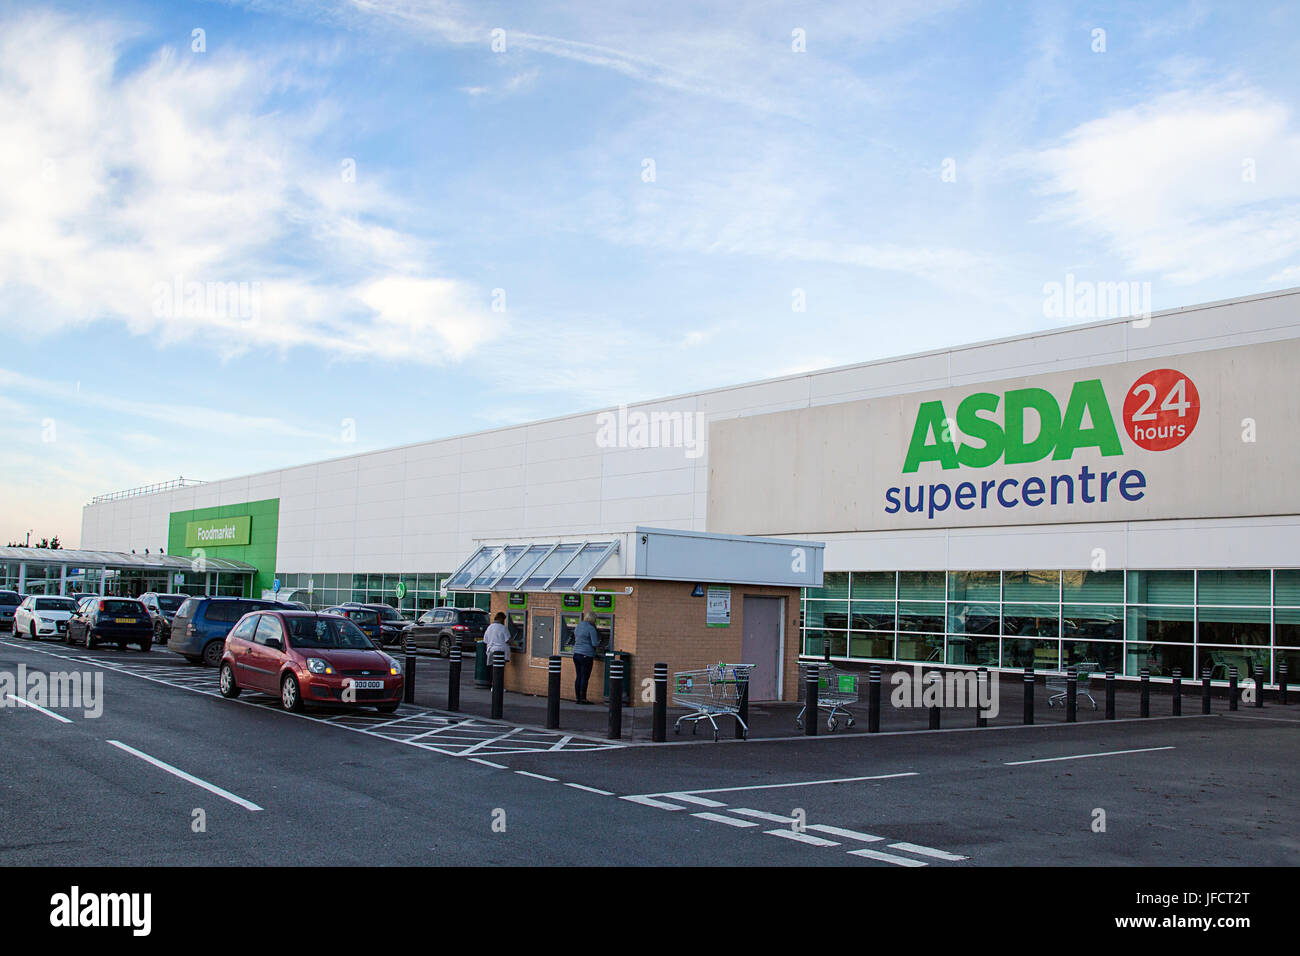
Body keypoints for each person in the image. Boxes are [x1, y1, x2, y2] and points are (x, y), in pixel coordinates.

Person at [572, 611, 600, 704]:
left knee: (578, 676)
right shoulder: (591, 628)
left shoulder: (579, 626)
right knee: (585, 677)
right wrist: (600, 643)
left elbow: (575, 638)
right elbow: (595, 643)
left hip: (576, 654)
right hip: (586, 655)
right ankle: (583, 698)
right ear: (593, 619)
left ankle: (577, 698)